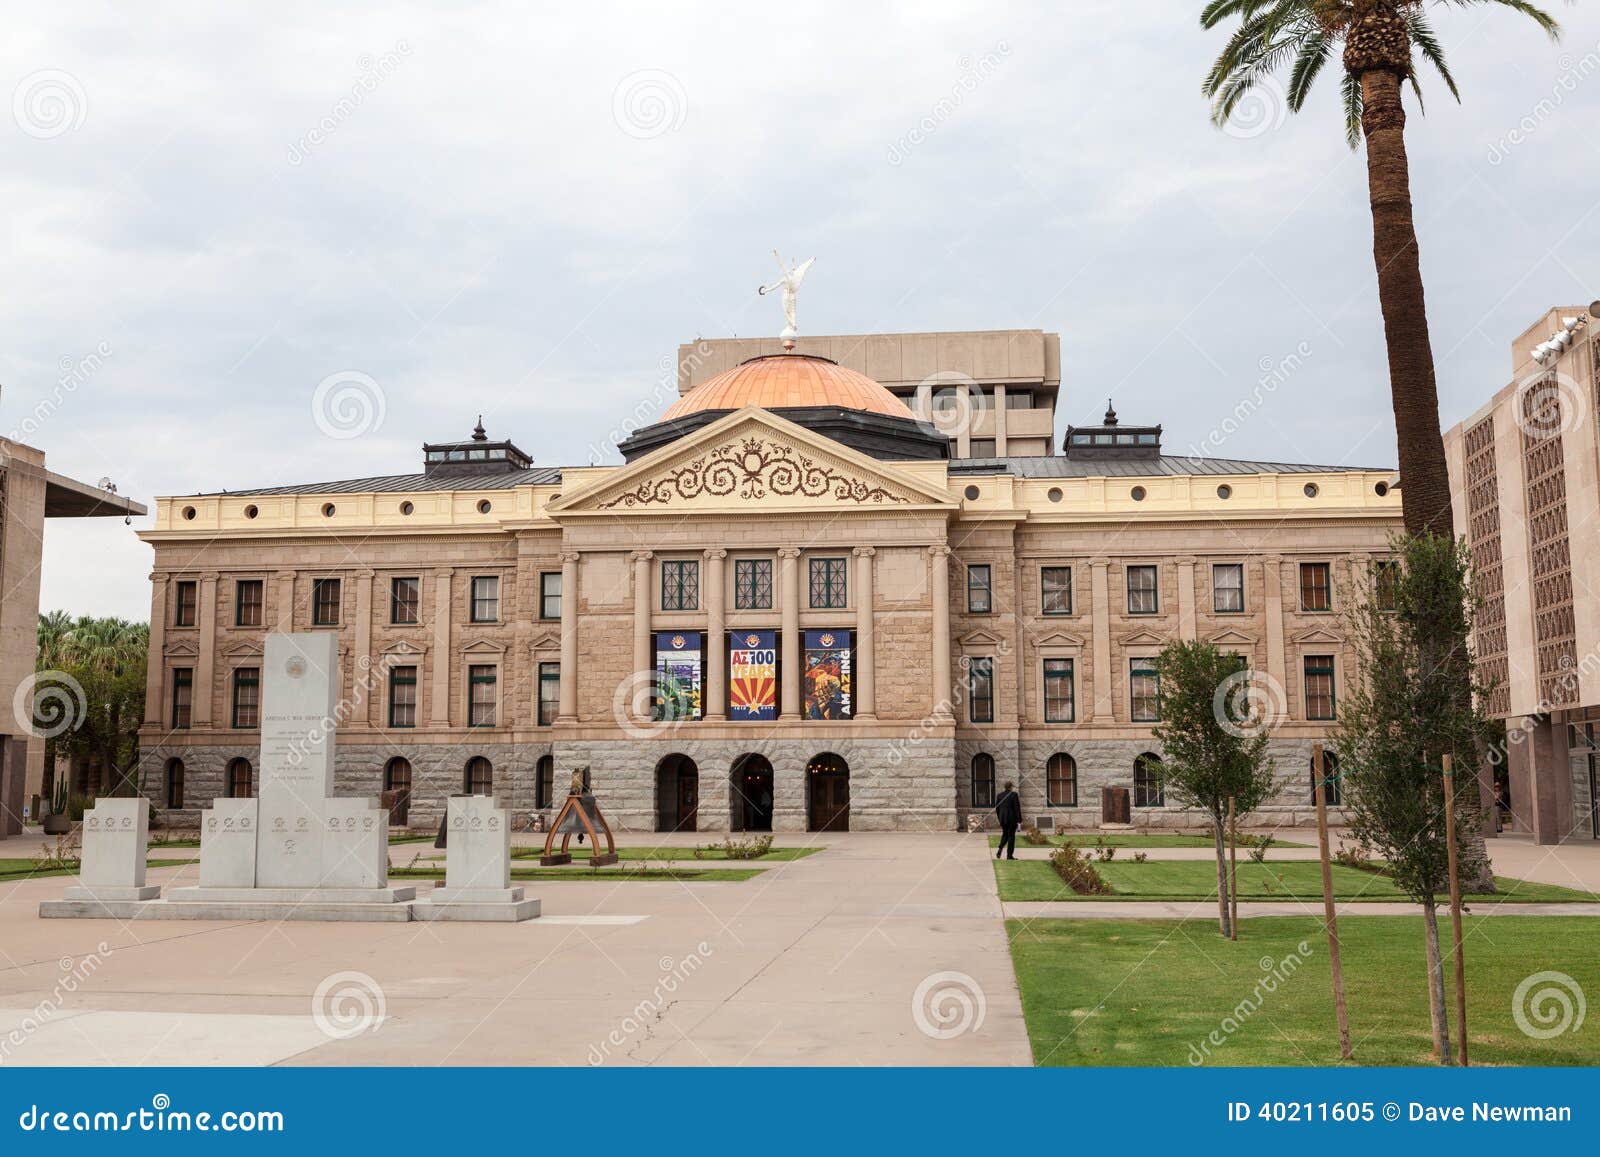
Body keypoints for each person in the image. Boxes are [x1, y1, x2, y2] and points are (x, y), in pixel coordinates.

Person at [994, 781, 1022, 860]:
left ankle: (1000, 848)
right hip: (1011, 818)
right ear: (1011, 787)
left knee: (1005, 834)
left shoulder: (999, 795)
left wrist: (1000, 818)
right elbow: (1017, 808)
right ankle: (1009, 855)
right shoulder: (1014, 795)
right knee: (1011, 836)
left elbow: (997, 808)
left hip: (1003, 818)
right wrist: (1019, 819)